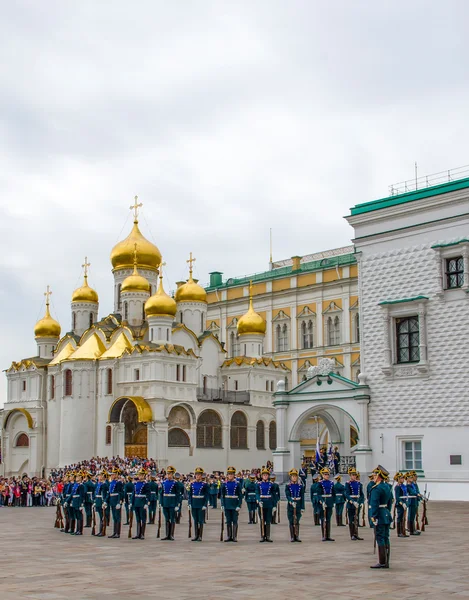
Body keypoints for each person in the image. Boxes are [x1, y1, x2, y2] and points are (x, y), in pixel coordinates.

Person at [369, 465, 393, 569]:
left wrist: (373, 516)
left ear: (379, 476)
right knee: (386, 537)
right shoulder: (387, 487)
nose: (373, 477)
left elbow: (374, 503)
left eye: (374, 475)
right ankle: (386, 561)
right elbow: (390, 501)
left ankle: (382, 561)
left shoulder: (376, 489)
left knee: (380, 537)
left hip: (379, 514)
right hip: (386, 513)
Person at [220, 466, 243, 542]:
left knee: (235, 520)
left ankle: (235, 536)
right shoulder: (224, 484)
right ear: (227, 475)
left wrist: (239, 505)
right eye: (229, 474)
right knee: (228, 520)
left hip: (234, 504)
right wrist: (222, 505)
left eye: (232, 474)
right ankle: (229, 536)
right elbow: (222, 495)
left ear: (234, 475)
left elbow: (240, 495)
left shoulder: (237, 484)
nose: (230, 475)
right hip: (227, 503)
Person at [188, 466, 209, 542]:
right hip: (194, 503)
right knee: (195, 520)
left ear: (201, 476)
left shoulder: (204, 484)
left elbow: (206, 496)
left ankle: (200, 536)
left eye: (199, 474)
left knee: (200, 520)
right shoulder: (192, 484)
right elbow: (190, 495)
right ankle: (196, 535)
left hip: (201, 503)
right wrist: (189, 503)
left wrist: (204, 505)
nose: (198, 476)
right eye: (196, 474)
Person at [160, 465, 180, 541]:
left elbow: (178, 494)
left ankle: (171, 534)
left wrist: (177, 504)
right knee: (167, 519)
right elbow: (161, 493)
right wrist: (161, 502)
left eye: (170, 474)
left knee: (172, 519)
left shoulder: (175, 483)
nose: (169, 475)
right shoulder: (164, 483)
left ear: (173, 474)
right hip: (165, 502)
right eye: (168, 474)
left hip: (172, 503)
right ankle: (167, 534)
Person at [284, 468, 304, 542]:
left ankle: (297, 536)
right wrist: (291, 501)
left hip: (298, 504)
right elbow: (288, 495)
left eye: (295, 476)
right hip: (291, 505)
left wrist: (302, 507)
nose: (294, 477)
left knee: (297, 520)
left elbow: (302, 497)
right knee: (291, 521)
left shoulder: (300, 486)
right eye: (293, 476)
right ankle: (292, 536)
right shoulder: (288, 486)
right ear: (290, 477)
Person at [317, 467, 336, 542]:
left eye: (327, 474)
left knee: (328, 519)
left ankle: (328, 535)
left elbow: (333, 493)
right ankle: (324, 535)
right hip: (323, 502)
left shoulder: (331, 483)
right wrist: (322, 501)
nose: (327, 476)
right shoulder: (320, 483)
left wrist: (333, 502)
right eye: (325, 474)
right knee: (323, 518)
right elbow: (318, 494)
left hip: (329, 501)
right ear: (322, 475)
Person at [345, 467, 364, 541]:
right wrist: (352, 501)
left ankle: (356, 534)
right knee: (351, 519)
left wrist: (361, 502)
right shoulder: (348, 484)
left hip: (357, 502)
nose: (354, 476)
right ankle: (352, 534)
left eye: (355, 475)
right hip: (351, 503)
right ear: (350, 475)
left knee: (356, 519)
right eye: (352, 475)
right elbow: (347, 494)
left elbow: (362, 494)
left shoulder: (359, 484)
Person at [256, 467, 274, 543]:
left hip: (269, 503)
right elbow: (257, 493)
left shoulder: (271, 484)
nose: (265, 476)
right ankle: (262, 535)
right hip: (262, 504)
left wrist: (274, 505)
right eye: (264, 475)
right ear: (262, 476)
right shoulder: (259, 484)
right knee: (262, 520)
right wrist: (259, 500)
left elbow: (273, 495)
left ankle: (268, 536)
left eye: (266, 475)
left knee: (268, 520)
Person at [131, 468, 150, 540]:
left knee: (143, 518)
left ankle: (142, 534)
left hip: (142, 502)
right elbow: (133, 494)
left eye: (141, 475)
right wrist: (131, 503)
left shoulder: (146, 484)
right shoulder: (135, 484)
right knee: (138, 519)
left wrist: (146, 503)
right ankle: (138, 533)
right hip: (136, 502)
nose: (140, 476)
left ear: (144, 476)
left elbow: (148, 494)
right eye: (139, 475)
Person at [66, 470, 85, 535]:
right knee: (76, 516)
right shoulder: (76, 485)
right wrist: (67, 501)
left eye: (78, 477)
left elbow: (82, 495)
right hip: (74, 501)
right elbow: (72, 494)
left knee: (79, 516)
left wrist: (81, 504)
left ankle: (80, 530)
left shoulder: (81, 485)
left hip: (78, 501)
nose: (76, 478)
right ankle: (77, 530)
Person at [108, 467, 124, 539]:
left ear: (117, 475)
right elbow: (110, 493)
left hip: (116, 500)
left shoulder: (119, 483)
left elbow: (120, 493)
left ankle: (118, 533)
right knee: (114, 517)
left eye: (113, 474)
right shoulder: (111, 482)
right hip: (112, 500)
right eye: (111, 474)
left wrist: (119, 502)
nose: (112, 475)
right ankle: (114, 532)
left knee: (117, 517)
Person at [93, 470, 109, 537]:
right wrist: (94, 501)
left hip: (101, 501)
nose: (99, 477)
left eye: (100, 475)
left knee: (103, 517)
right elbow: (96, 493)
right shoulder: (99, 484)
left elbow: (105, 494)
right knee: (100, 517)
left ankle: (102, 531)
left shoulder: (105, 484)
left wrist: (104, 501)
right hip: (98, 500)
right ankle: (100, 531)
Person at [393, 472, 409, 538]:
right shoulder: (397, 487)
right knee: (400, 517)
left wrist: (405, 503)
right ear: (398, 479)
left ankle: (403, 531)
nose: (403, 479)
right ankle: (399, 532)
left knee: (403, 518)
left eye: (403, 478)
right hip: (400, 504)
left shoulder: (403, 486)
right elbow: (397, 497)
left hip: (404, 503)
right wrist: (402, 503)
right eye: (401, 478)